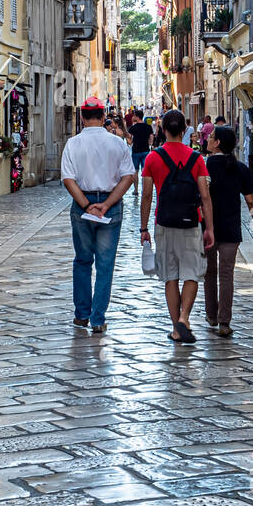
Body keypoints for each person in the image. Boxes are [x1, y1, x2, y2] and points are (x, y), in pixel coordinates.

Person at [61, 97, 136, 333]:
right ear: (103, 117)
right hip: (110, 205)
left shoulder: (73, 144)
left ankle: (81, 315)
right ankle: (98, 318)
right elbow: (128, 178)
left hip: (82, 203)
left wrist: (85, 205)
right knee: (105, 264)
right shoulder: (118, 143)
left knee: (83, 260)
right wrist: (106, 204)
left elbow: (68, 179)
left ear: (82, 118)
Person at [140, 109, 215, 344]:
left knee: (170, 277)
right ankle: (184, 318)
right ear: (184, 131)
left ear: (163, 130)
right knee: (192, 273)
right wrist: (209, 228)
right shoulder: (196, 159)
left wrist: (144, 228)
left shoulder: (153, 158)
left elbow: (147, 195)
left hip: (164, 223)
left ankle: (176, 328)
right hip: (191, 222)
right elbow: (205, 195)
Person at [203, 126, 253, 337]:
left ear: (218, 143)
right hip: (231, 228)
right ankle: (224, 321)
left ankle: (211, 315)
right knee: (226, 274)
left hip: (208, 228)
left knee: (210, 273)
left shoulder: (204, 167)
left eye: (211, 137)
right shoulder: (239, 168)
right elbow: (250, 200)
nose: (208, 140)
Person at [127, 114, 154, 197]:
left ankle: (135, 190)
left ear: (137, 117)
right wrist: (150, 144)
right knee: (144, 171)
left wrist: (130, 143)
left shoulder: (133, 127)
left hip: (136, 151)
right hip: (145, 150)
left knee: (135, 171)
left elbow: (129, 139)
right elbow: (151, 137)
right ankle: (144, 189)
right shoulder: (148, 127)